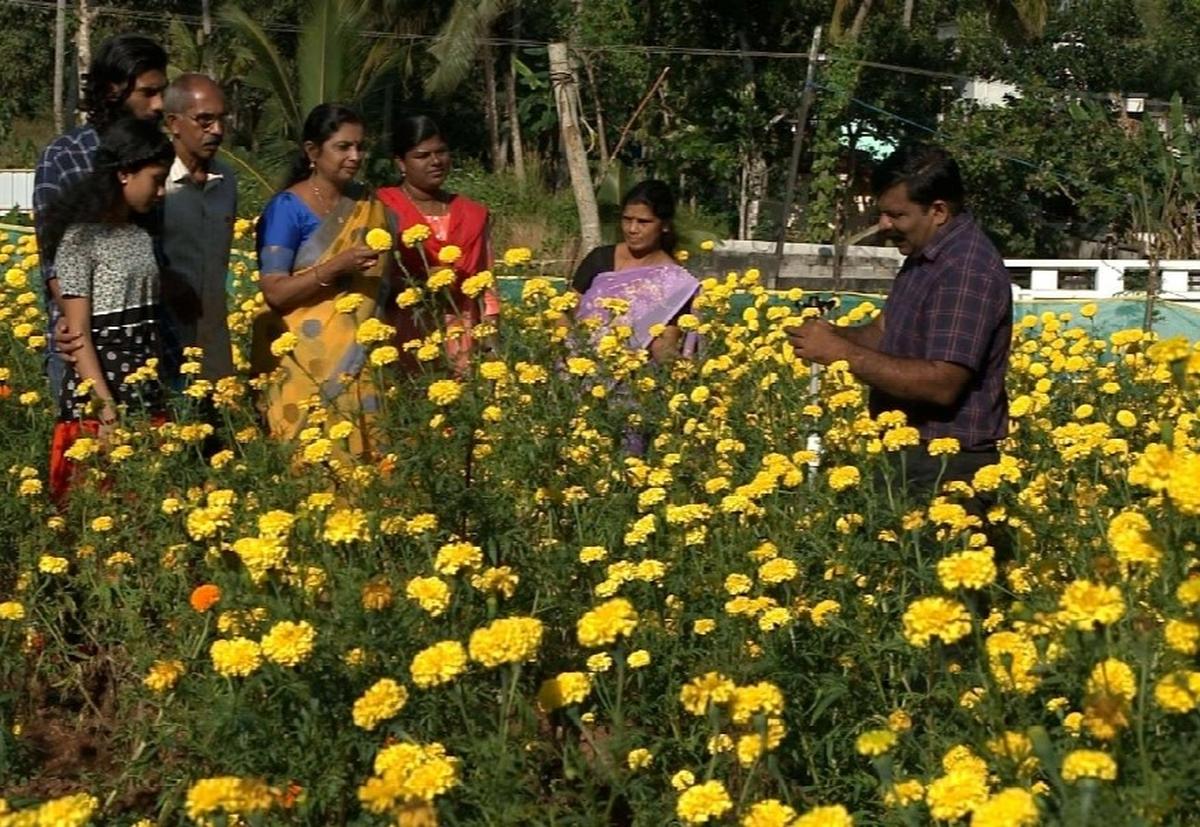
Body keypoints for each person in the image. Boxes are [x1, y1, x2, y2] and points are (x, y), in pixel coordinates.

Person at [787, 144, 1012, 497]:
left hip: (947, 467)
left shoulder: (966, 269)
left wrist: (840, 353)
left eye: (896, 215)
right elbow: (885, 332)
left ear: (938, 211)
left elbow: (942, 383)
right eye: (882, 213)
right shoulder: (926, 256)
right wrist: (831, 335)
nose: (883, 225)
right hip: (909, 454)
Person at [38, 118, 174, 501]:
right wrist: (107, 411)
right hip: (100, 403)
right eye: (156, 180)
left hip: (144, 395)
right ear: (124, 174)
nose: (161, 192)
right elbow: (78, 333)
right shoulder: (80, 240)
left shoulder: (139, 236)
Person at [33, 34, 168, 403]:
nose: (158, 104)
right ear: (112, 90)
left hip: (148, 348)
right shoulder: (67, 155)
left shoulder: (156, 156)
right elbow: (55, 264)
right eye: (148, 93)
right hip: (86, 349)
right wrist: (76, 328)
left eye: (162, 92)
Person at [251, 104, 390, 456]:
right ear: (313, 151)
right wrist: (335, 267)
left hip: (361, 358)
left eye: (360, 146)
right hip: (303, 364)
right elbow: (275, 292)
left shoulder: (368, 204)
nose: (355, 156)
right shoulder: (287, 208)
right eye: (343, 147)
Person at [377, 115, 499, 373]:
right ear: (401, 163)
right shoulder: (382, 208)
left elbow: (486, 282)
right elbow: (371, 277)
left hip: (464, 339)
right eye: (422, 156)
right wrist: (420, 284)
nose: (435, 161)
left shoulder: (473, 214)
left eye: (441, 152)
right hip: (402, 335)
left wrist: (491, 344)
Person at [160, 74, 237, 382]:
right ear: (174, 123)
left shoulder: (226, 181)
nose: (216, 130)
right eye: (204, 120)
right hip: (164, 336)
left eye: (221, 119)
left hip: (213, 339)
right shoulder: (156, 182)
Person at [571, 179, 699, 364]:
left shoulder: (675, 283)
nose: (632, 229)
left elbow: (664, 343)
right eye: (627, 219)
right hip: (577, 364)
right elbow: (567, 310)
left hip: (631, 372)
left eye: (643, 222)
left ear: (664, 225)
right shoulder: (600, 259)